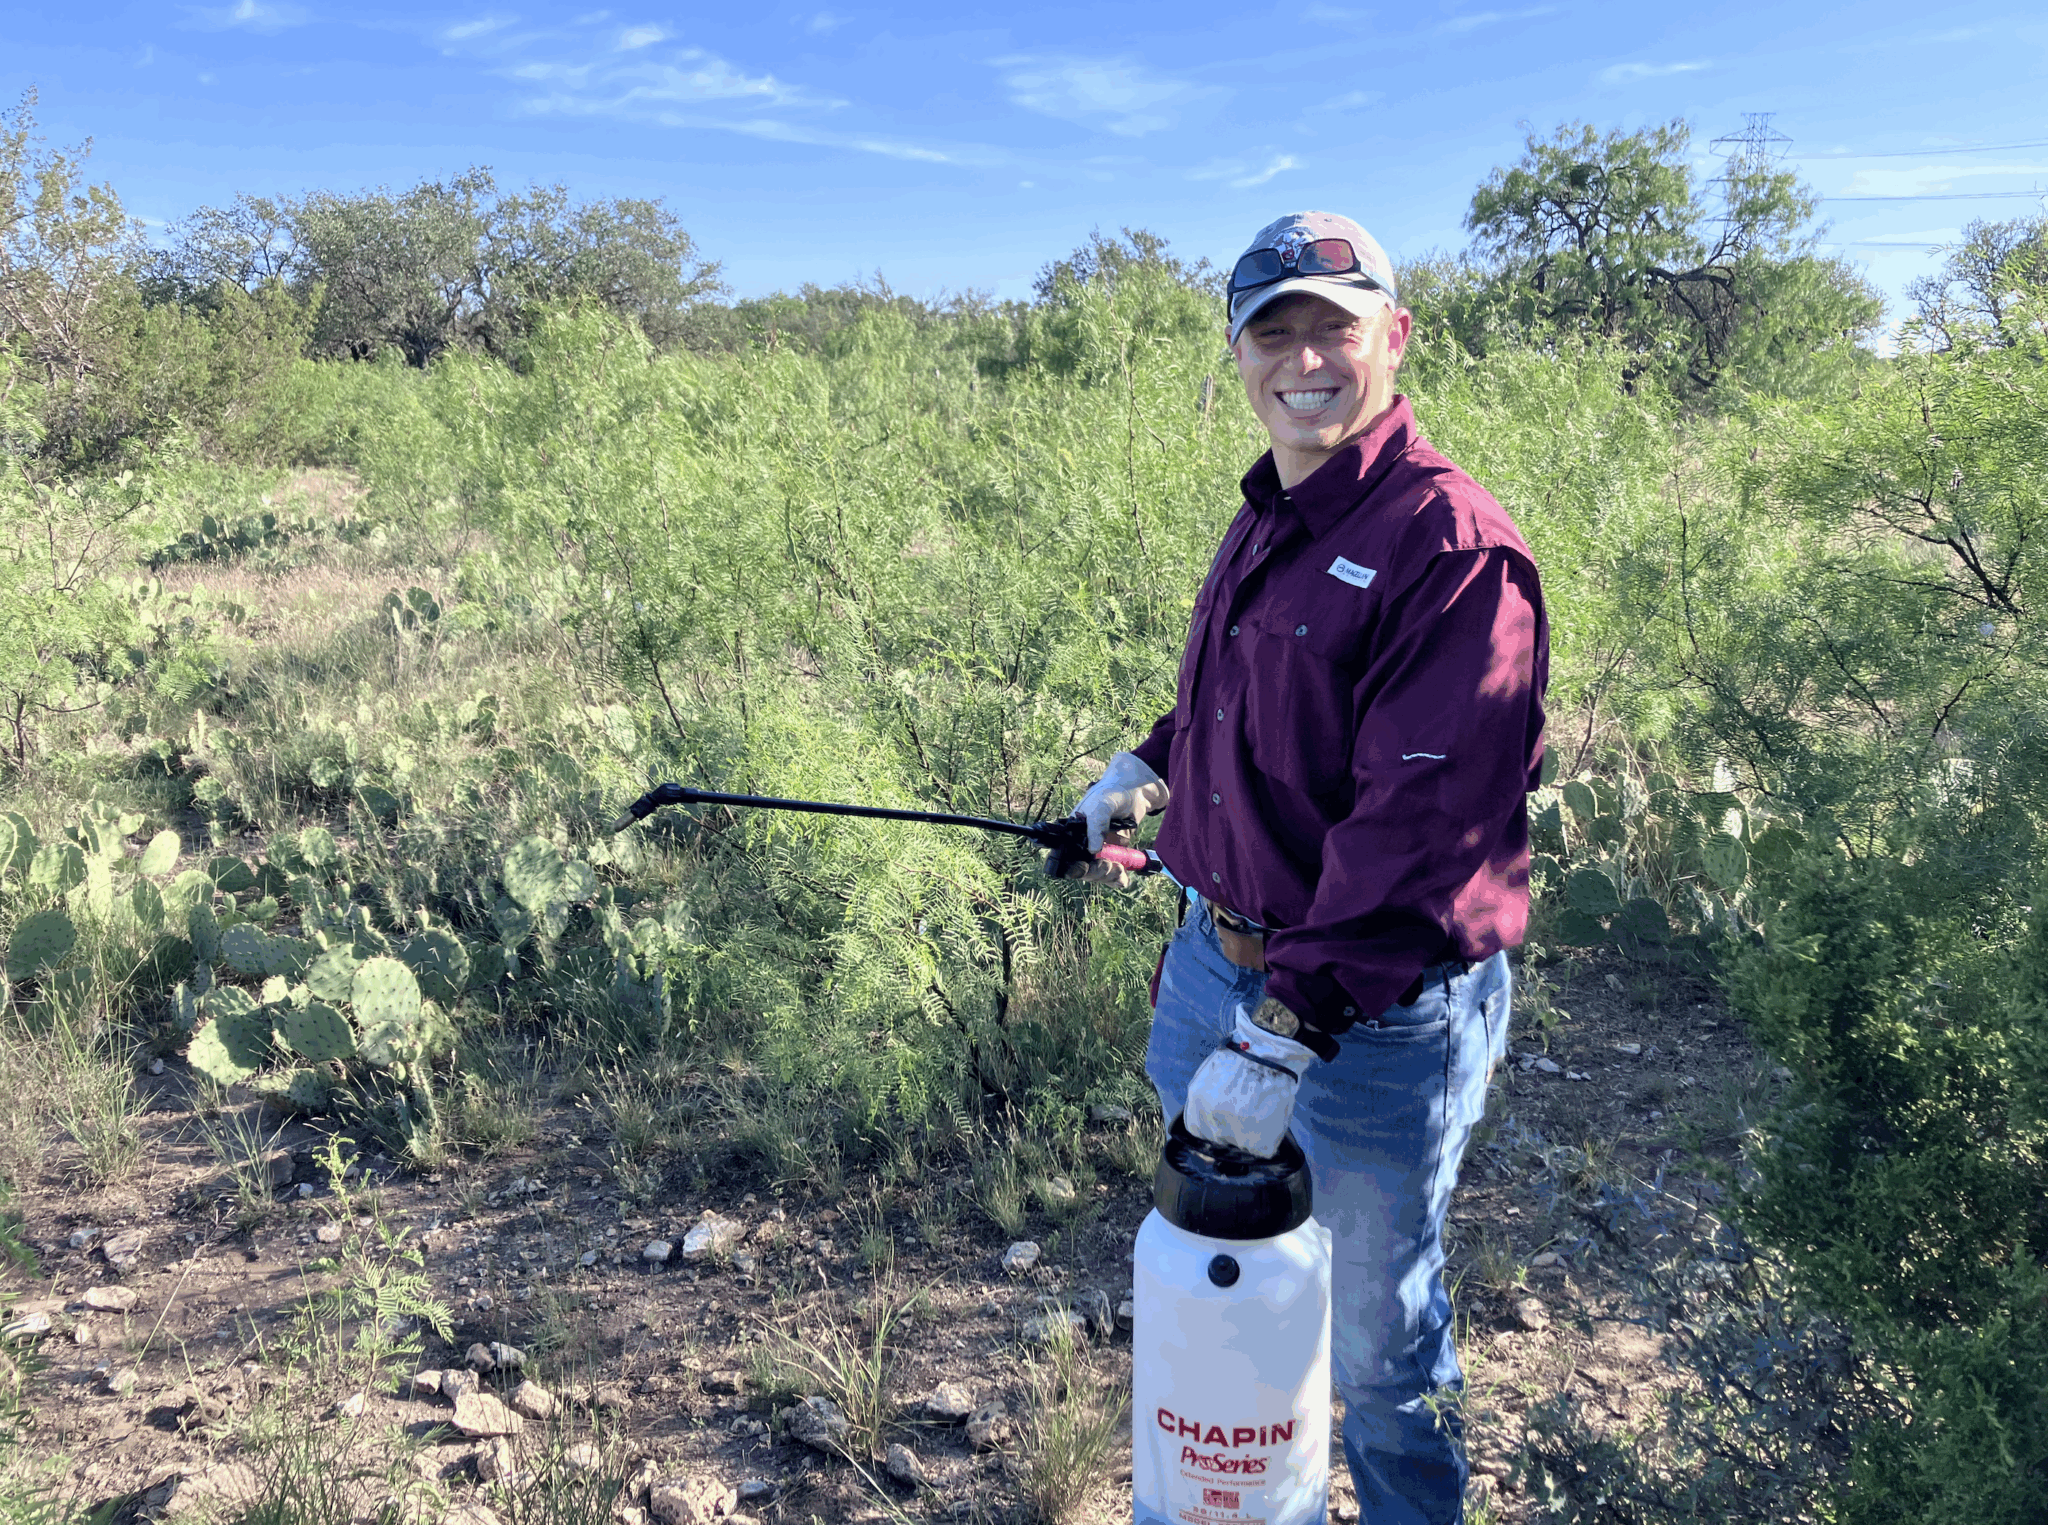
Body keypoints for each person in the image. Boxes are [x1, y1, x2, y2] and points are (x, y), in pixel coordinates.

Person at [1059, 211, 1548, 1525]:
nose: (1305, 356)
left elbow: (1423, 827)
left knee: (1384, 1348)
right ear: (1239, 354)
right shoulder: (1274, 506)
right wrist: (1144, 774)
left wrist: (1286, 1031)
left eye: (1334, 324)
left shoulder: (1449, 546)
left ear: (1392, 336)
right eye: (1274, 330)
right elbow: (1243, 708)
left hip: (1364, 1020)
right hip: (1212, 976)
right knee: (1229, 1285)